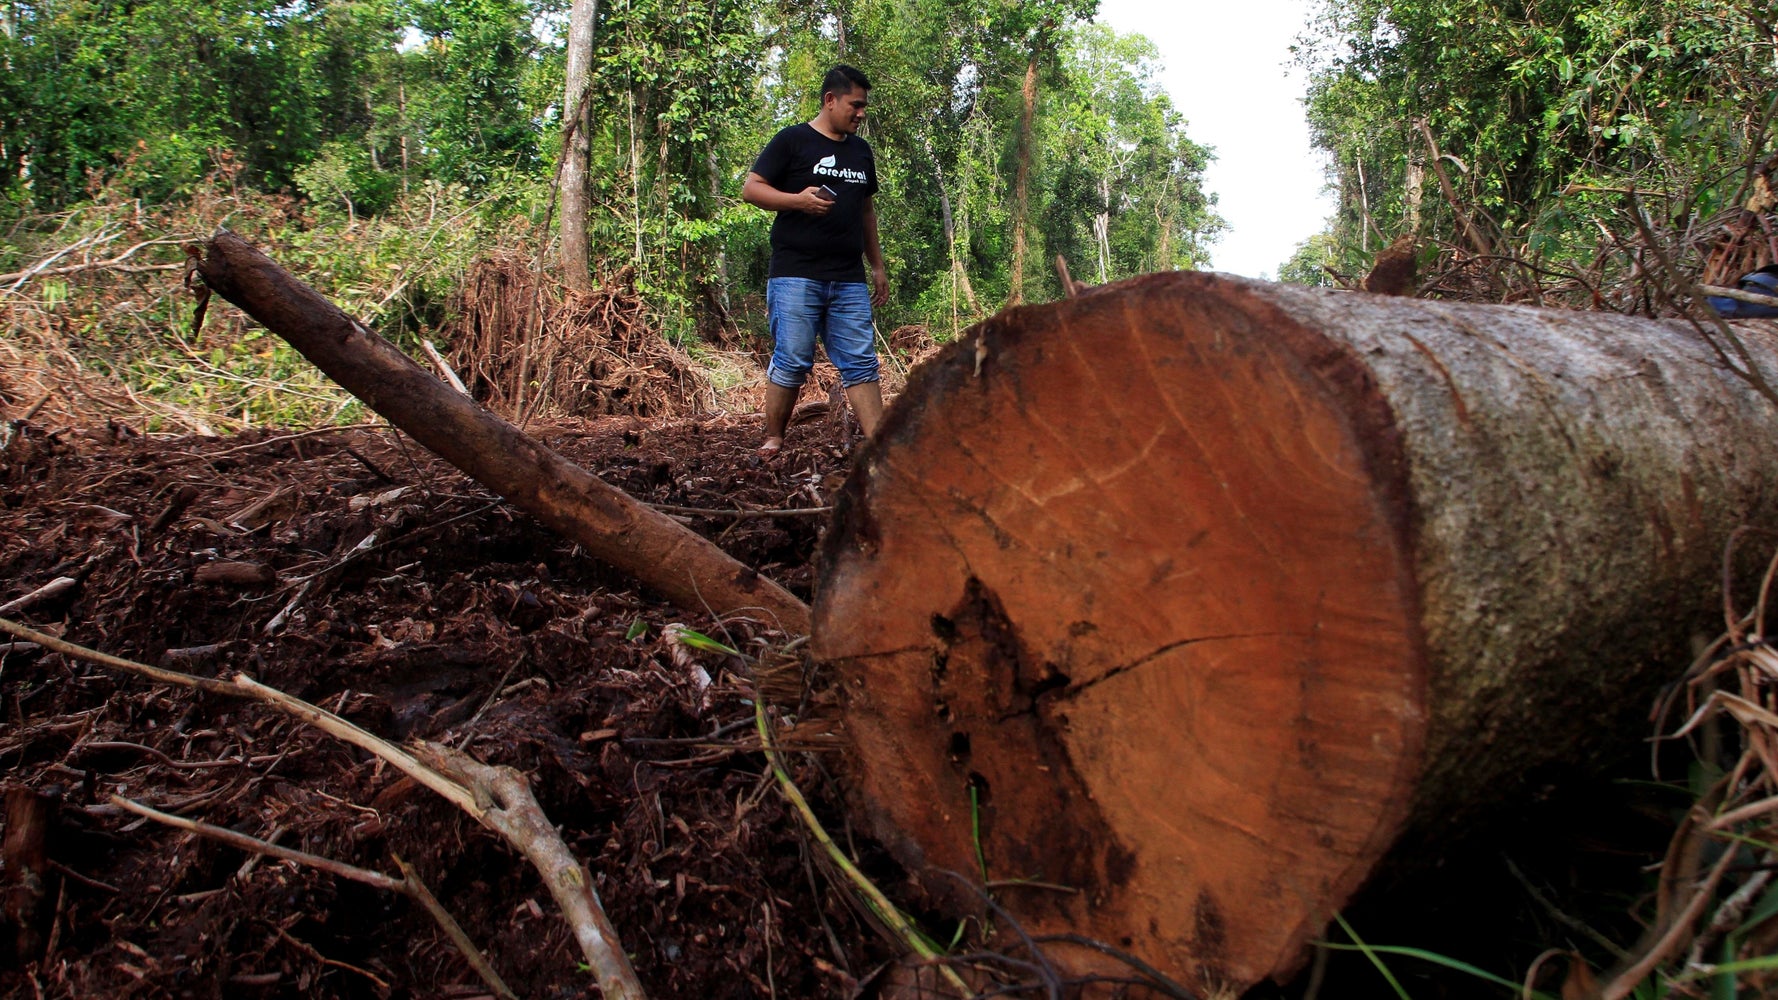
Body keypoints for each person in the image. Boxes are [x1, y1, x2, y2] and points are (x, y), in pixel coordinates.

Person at [742, 64, 889, 458]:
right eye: (855, 105)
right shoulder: (792, 141)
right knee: (792, 358)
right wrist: (797, 201)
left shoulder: (860, 151)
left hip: (848, 277)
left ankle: (881, 446)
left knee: (860, 360)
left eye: (864, 107)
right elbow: (751, 189)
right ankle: (773, 437)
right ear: (830, 100)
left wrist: (876, 265)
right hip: (796, 274)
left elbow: (866, 211)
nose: (861, 114)